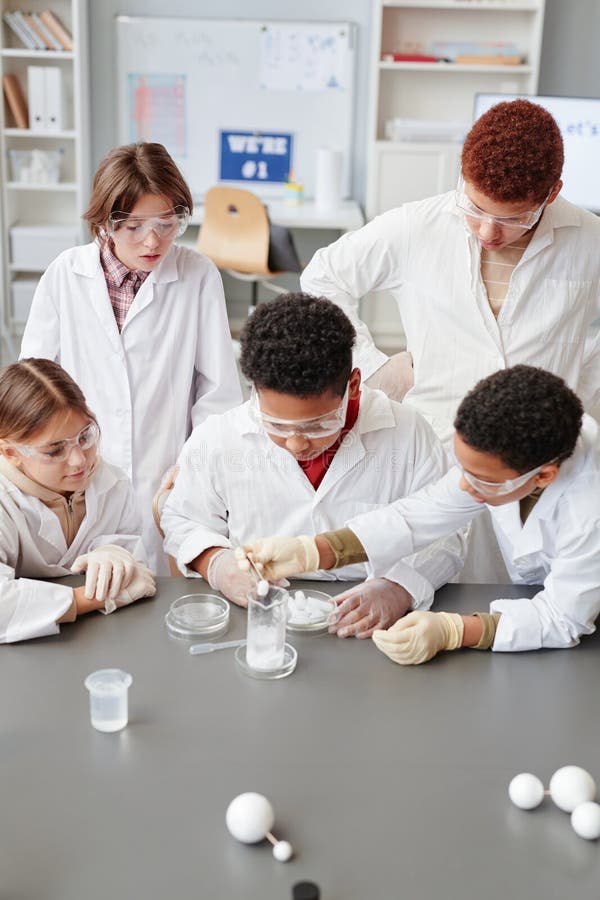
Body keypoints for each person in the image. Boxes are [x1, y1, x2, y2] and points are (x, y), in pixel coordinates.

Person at [300, 100, 600, 581]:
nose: (487, 232)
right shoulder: (416, 225)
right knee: (421, 582)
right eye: (474, 208)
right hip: (437, 446)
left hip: (536, 462)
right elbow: (323, 277)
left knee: (538, 597)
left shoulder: (589, 240)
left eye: (513, 219)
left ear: (553, 193)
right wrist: (373, 366)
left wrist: (584, 383)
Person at [238, 365, 600, 661]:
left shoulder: (589, 510)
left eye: (483, 481)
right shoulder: (515, 442)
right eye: (463, 469)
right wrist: (311, 550)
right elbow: (421, 514)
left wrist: (455, 630)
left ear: (544, 476)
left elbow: (564, 617)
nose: (465, 488)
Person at [161, 293, 465, 638]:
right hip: (259, 616)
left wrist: (398, 587)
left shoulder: (408, 433)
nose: (296, 443)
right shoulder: (217, 438)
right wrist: (216, 564)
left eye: (316, 426)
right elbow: (183, 519)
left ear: (352, 387)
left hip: (372, 620)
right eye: (276, 426)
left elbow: (445, 534)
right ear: (256, 391)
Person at [20, 142, 242, 572]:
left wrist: (193, 469)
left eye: (167, 222)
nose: (153, 240)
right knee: (88, 589)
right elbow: (35, 385)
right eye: (135, 226)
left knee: (163, 596)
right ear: (105, 221)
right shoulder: (66, 275)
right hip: (80, 473)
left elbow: (218, 393)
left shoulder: (197, 276)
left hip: (168, 473)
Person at [0, 359, 156, 644]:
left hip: (100, 644)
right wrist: (87, 598)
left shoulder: (113, 485)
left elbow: (139, 577)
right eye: (53, 450)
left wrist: (114, 553)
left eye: (85, 436)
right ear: (10, 453)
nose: (79, 460)